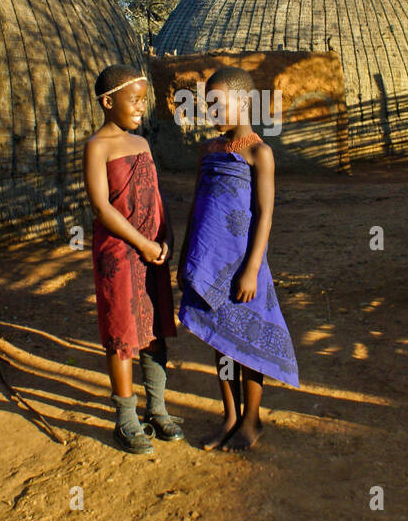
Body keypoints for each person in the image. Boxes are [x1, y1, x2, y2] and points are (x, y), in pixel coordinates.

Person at [177, 66, 298, 451]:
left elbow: (265, 214)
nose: (210, 112)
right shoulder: (208, 151)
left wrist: (250, 270)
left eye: (217, 104)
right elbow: (198, 205)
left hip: (245, 266)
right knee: (221, 340)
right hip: (210, 265)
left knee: (247, 342)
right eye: (206, 105)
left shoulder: (260, 153)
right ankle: (229, 415)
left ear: (244, 102)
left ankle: (251, 420)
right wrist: (186, 257)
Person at [83, 64, 182, 454]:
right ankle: (126, 420)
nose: (141, 107)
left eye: (144, 100)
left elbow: (156, 196)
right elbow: (102, 207)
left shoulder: (142, 145)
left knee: (154, 330)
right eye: (134, 100)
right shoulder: (98, 147)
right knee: (123, 334)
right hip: (121, 255)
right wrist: (141, 243)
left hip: (152, 252)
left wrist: (167, 235)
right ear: (108, 102)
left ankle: (157, 409)